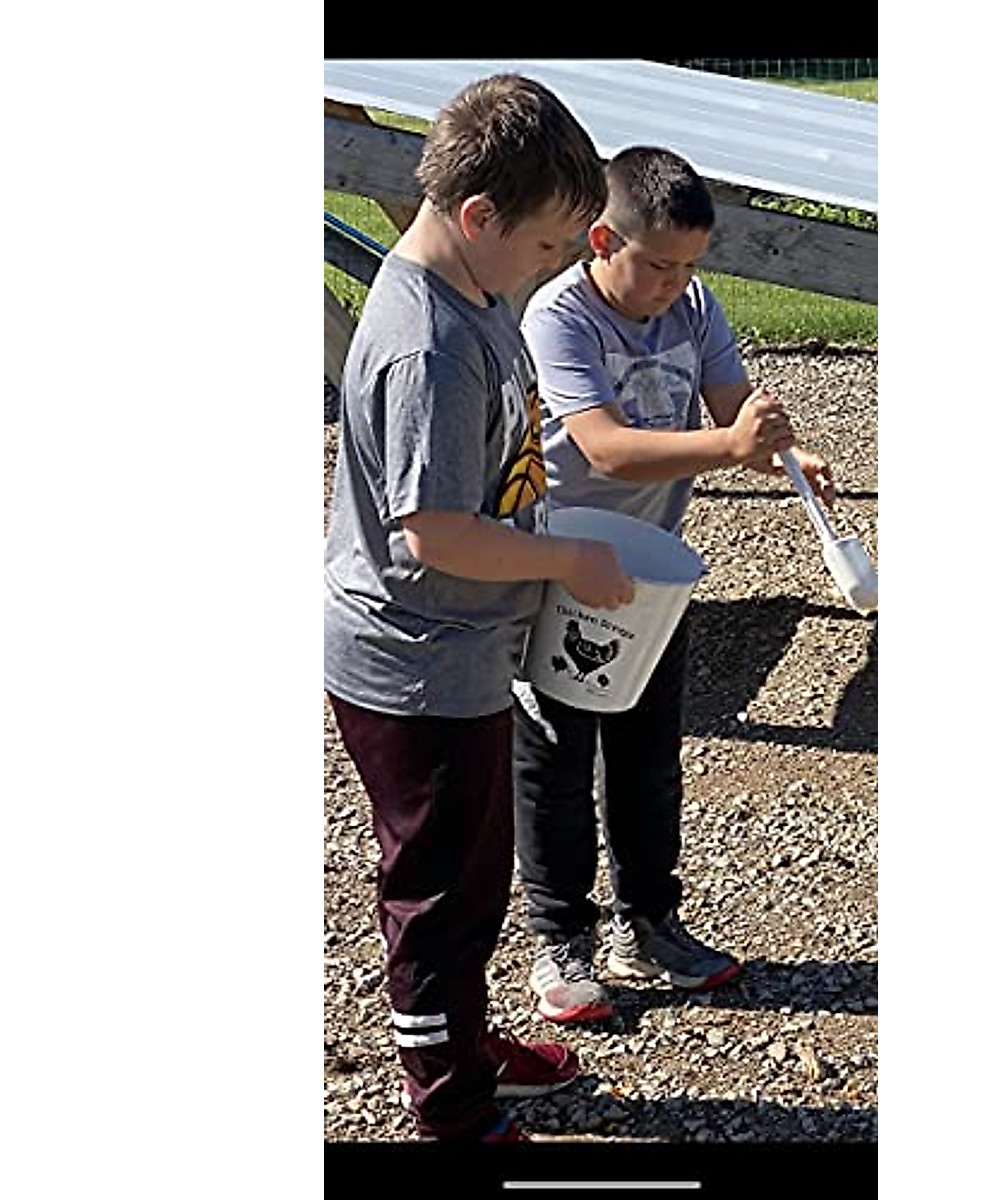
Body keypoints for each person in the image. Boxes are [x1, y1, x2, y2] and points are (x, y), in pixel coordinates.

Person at [323, 74, 635, 1143]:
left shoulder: (475, 293)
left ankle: (459, 1037)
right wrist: (565, 556)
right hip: (411, 661)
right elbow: (436, 531)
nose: (556, 268)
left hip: (459, 646)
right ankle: (448, 1100)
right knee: (438, 896)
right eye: (549, 247)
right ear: (478, 216)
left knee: (472, 873)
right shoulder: (431, 345)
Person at [513, 145, 837, 1024]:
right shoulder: (559, 317)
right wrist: (729, 448)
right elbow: (606, 445)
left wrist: (783, 453)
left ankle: (649, 923)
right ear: (601, 239)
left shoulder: (694, 305)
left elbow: (731, 406)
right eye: (657, 265)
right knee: (554, 756)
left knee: (649, 757)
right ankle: (560, 940)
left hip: (653, 564)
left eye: (690, 265)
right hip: (561, 564)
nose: (673, 284)